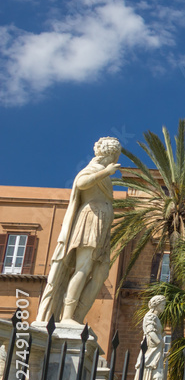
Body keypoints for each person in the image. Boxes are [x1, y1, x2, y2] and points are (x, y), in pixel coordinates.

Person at [37, 137, 121, 324]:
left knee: (101, 273)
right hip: (90, 219)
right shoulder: (93, 169)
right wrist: (105, 172)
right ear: (112, 154)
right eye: (116, 154)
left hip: (101, 225)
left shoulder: (103, 173)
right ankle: (67, 317)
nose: (117, 158)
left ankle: (77, 316)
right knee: (83, 267)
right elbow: (82, 183)